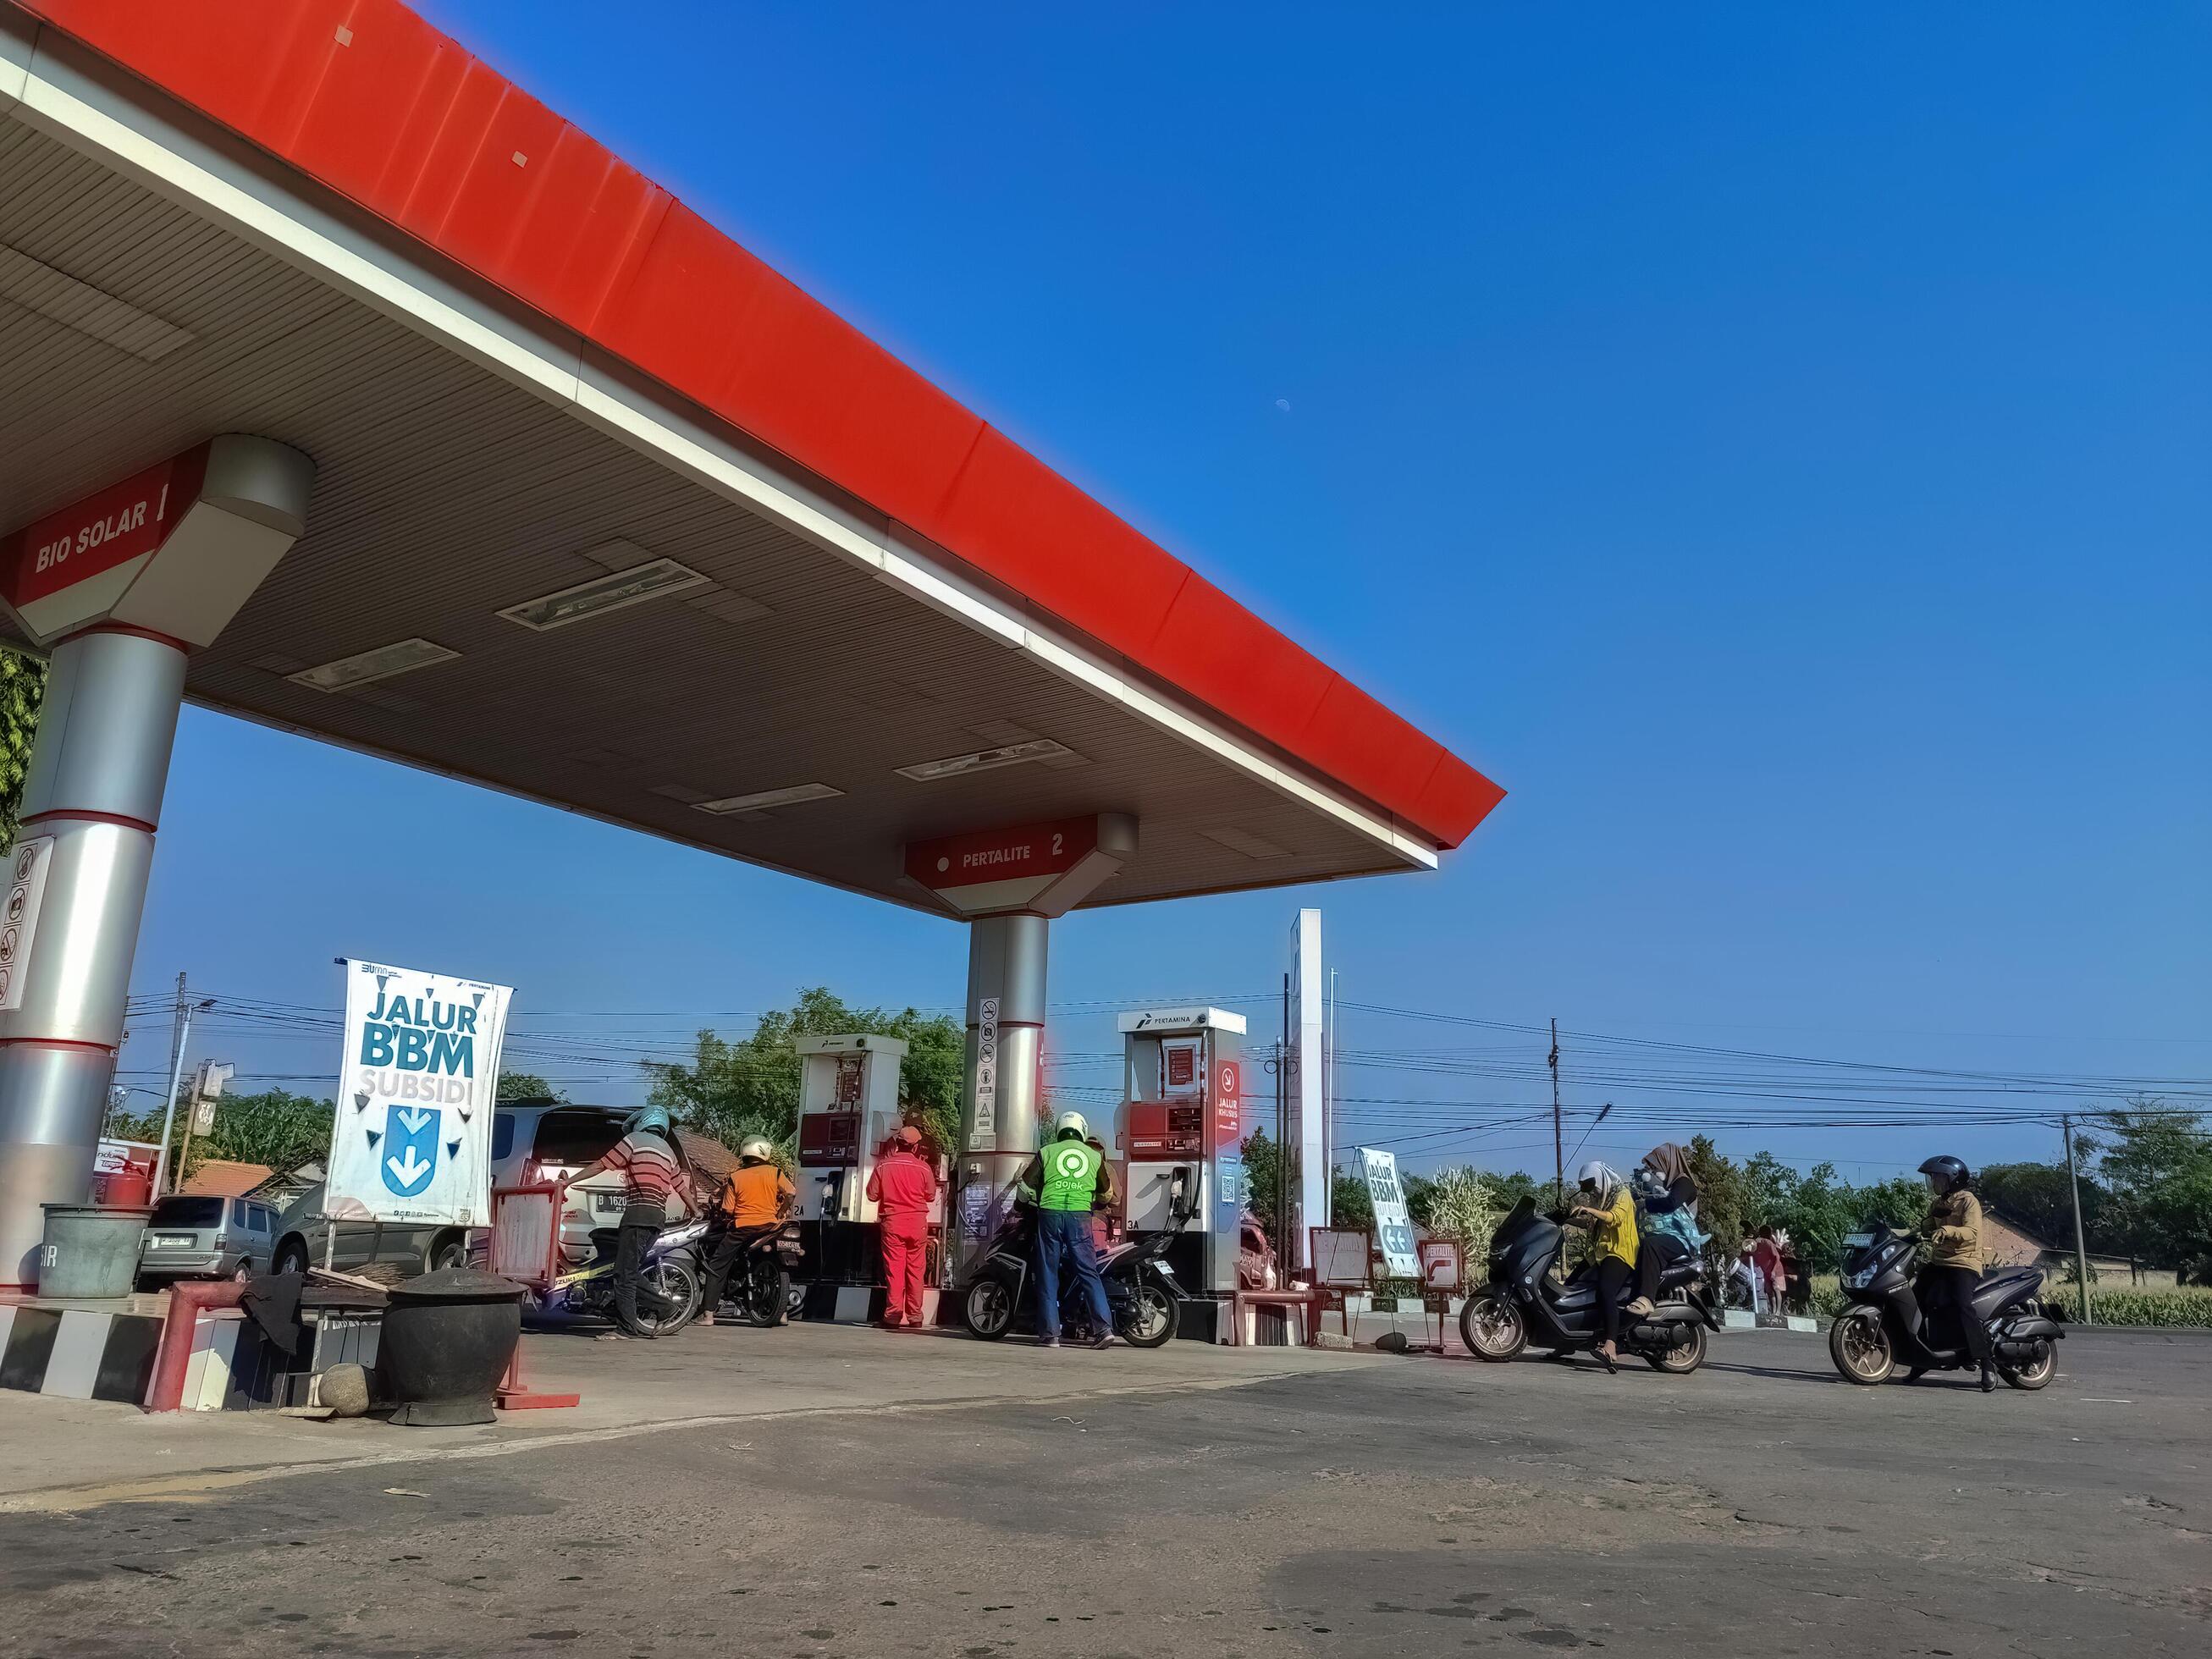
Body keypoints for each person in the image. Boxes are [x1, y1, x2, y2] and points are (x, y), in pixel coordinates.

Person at [562, 1105, 690, 1337]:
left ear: (642, 1121)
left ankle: (633, 1325)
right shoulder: (669, 1152)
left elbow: (602, 1164)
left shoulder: (633, 1140)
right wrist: (695, 1210)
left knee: (624, 1273)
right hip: (656, 1217)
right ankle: (659, 1308)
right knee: (627, 1270)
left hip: (638, 1214)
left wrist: (568, 1181)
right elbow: (681, 1186)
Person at [1017, 1110, 1118, 1349]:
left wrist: (1021, 1205)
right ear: (1082, 1131)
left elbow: (1025, 1188)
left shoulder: (1046, 1152)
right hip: (1080, 1217)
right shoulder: (1094, 1157)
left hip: (1049, 1216)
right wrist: (1097, 1203)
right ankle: (1103, 1329)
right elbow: (1107, 1194)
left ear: (1059, 1130)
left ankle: (1051, 1334)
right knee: (1088, 1272)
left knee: (1047, 1274)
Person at [1915, 1154, 1995, 1392]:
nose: (1934, 1182)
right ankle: (1922, 1356)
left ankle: (1986, 1362)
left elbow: (1971, 1231)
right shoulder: (1940, 1203)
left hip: (1964, 1263)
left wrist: (1948, 1230)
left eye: (1937, 1177)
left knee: (1963, 1305)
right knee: (1915, 1298)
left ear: (1952, 1179)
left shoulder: (1968, 1201)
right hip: (1940, 1263)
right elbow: (1928, 1226)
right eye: (1932, 1178)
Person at [698, 1136, 797, 1327]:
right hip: (770, 1227)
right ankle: (782, 1313)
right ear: (766, 1152)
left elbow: (728, 1210)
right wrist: (781, 1211)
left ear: (745, 1153)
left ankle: (708, 1315)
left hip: (742, 1228)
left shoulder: (736, 1177)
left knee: (717, 1266)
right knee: (768, 1260)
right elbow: (791, 1193)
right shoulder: (775, 1172)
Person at [1566, 1160, 1638, 1373]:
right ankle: (1565, 1342)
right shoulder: (1600, 1199)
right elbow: (1592, 1222)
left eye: (1594, 1186)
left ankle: (1611, 1346)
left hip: (1620, 1253)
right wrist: (1568, 1218)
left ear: (1602, 1179)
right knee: (1570, 1285)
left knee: (1606, 1291)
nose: (1593, 1192)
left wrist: (1589, 1209)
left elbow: (1614, 1218)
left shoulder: (1622, 1194)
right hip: (1599, 1254)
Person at [866, 1126, 938, 1330]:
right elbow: (931, 1196)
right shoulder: (924, 1168)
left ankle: (893, 1317)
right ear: (915, 1147)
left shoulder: (883, 1166)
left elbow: (871, 1195)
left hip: (893, 1223)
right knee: (916, 1271)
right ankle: (915, 1316)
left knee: (894, 1271)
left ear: (897, 1144)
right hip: (917, 1224)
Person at [1630, 1142, 1706, 1315]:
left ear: (1667, 1162)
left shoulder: (1684, 1182)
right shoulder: (1666, 1186)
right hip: (1666, 1235)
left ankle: (1647, 1298)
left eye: (1655, 1165)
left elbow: (1671, 1203)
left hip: (1680, 1238)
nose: (1652, 1170)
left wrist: (1645, 1203)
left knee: (1651, 1245)